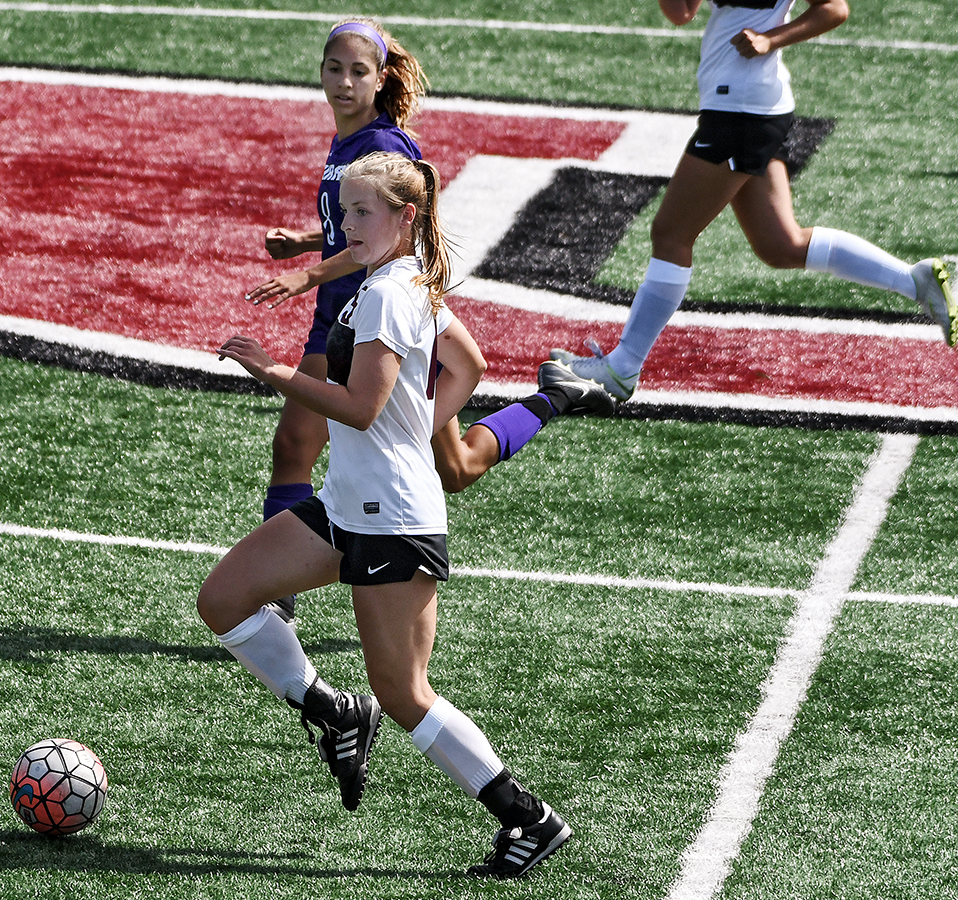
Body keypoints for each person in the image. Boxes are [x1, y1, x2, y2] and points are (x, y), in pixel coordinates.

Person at [204, 152, 571, 878]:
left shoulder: (385, 294)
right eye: (343, 213)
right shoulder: (406, 283)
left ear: (406, 218)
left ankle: (528, 820)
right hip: (349, 503)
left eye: (363, 212)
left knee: (403, 692)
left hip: (392, 519)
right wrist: (416, 426)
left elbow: (363, 407)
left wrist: (268, 369)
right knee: (224, 598)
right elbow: (469, 367)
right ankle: (334, 713)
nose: (348, 226)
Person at [244, 19, 609, 620]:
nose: (342, 82)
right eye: (333, 69)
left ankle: (554, 399)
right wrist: (310, 242)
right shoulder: (347, 140)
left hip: (384, 330)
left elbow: (396, 233)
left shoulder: (381, 146)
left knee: (450, 466)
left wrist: (309, 273)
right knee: (313, 449)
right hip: (344, 318)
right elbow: (359, 225)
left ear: (381, 77)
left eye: (358, 71)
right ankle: (275, 597)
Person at [547, 0, 956, 400]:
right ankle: (915, 281)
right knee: (781, 244)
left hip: (740, 108)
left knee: (672, 233)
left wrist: (770, 38)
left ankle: (622, 368)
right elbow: (681, 12)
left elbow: (835, 7)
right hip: (744, 105)